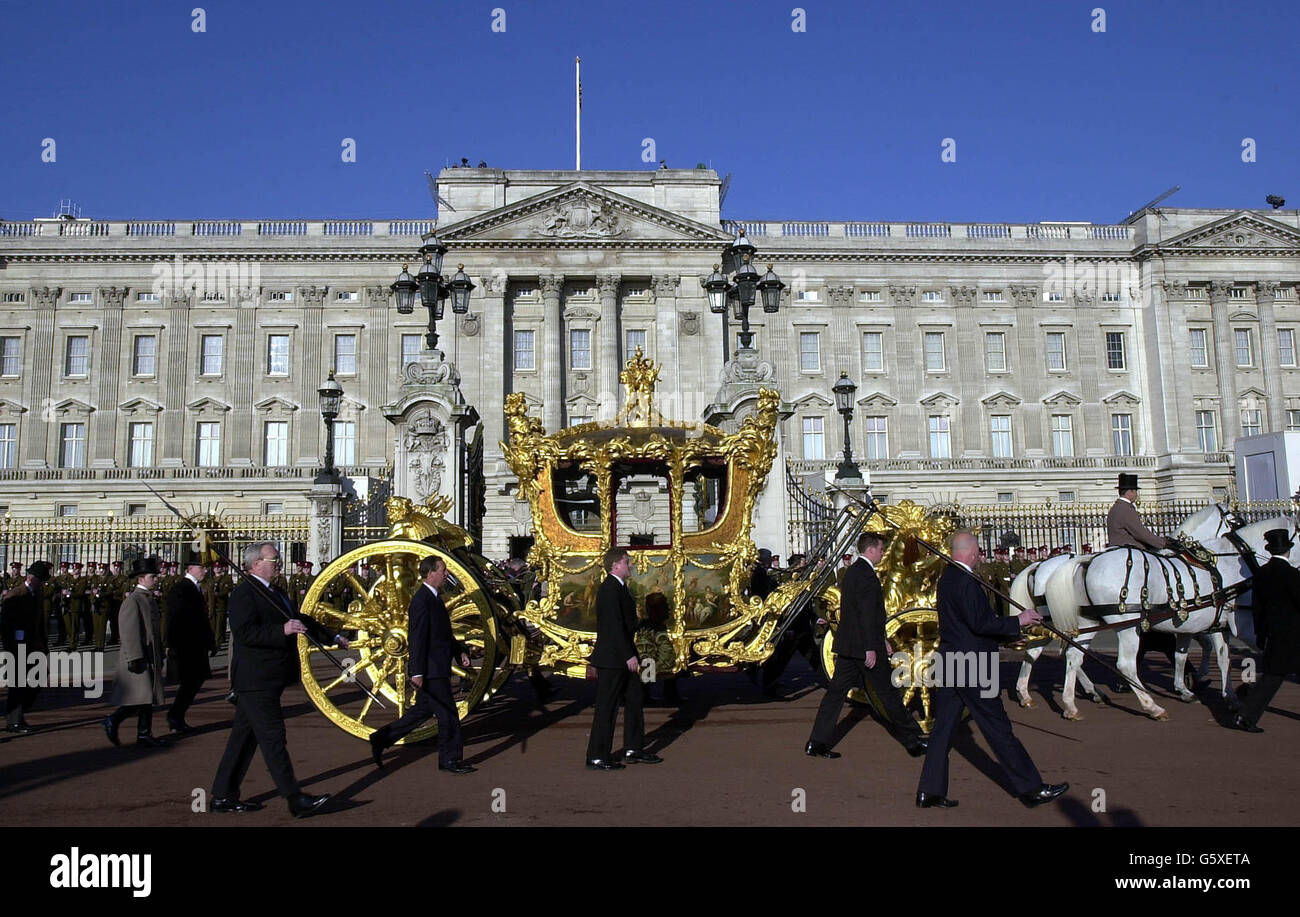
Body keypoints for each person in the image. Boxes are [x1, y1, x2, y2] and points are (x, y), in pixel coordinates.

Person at [917, 531, 1069, 809]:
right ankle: (1031, 788)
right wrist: (1018, 621)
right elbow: (980, 623)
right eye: (979, 551)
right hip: (973, 666)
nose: (980, 555)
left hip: (953, 662)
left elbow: (969, 626)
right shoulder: (965, 581)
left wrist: (1009, 635)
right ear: (972, 552)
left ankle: (930, 790)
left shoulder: (949, 578)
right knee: (998, 729)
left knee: (942, 732)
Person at [211, 542, 349, 817]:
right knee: (273, 738)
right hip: (255, 679)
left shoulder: (274, 591)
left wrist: (331, 635)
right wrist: (281, 630)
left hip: (269, 677)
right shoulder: (244, 594)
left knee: (244, 739)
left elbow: (297, 617)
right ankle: (294, 798)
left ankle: (222, 795)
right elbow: (245, 633)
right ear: (255, 563)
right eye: (274, 559)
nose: (279, 563)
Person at [806, 532, 927, 758]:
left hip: (848, 647)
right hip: (863, 648)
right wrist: (872, 647)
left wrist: (880, 641)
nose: (882, 554)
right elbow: (866, 615)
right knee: (888, 694)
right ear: (871, 550)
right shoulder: (866, 576)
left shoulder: (853, 572)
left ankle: (817, 742)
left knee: (835, 695)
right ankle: (914, 740)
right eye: (881, 550)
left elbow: (858, 614)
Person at [368, 556, 476, 773]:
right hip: (431, 669)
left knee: (422, 712)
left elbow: (443, 634)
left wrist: (459, 653)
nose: (446, 574)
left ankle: (381, 738)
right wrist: (416, 672)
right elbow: (417, 638)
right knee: (448, 715)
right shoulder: (421, 600)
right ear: (431, 573)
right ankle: (449, 760)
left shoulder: (434, 598)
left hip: (436, 666)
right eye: (443, 570)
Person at [585, 547, 661, 770]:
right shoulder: (610, 589)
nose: (631, 565)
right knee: (607, 707)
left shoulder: (618, 587)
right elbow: (613, 626)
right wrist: (629, 655)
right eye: (627, 562)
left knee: (635, 699)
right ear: (615, 565)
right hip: (613, 658)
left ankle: (633, 748)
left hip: (620, 654)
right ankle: (597, 755)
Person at [1231, 528, 1300, 732]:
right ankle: (1245, 716)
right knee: (1271, 678)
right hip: (1294, 635)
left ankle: (1245, 716)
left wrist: (1261, 635)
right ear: (1288, 551)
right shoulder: (1292, 574)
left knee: (1271, 678)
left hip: (1273, 634)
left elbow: (1257, 608)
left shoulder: (1262, 573)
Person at [104, 557, 168, 747]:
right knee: (141, 697)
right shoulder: (134, 600)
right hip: (139, 656)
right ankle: (114, 720)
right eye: (152, 576)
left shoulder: (147, 598)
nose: (156, 579)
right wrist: (134, 656)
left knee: (145, 698)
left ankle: (143, 733)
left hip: (148, 654)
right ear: (141, 579)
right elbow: (129, 631)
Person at [165, 551, 214, 733]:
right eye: (202, 568)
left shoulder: (194, 587)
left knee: (193, 682)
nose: (205, 571)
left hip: (195, 644)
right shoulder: (182, 588)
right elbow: (175, 618)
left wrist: (209, 640)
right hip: (187, 645)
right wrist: (173, 644)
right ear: (190, 569)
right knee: (190, 682)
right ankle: (175, 716)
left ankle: (177, 715)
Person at [2, 561, 52, 733]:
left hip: (35, 646)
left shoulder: (36, 594)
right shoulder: (15, 595)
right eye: (41, 580)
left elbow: (39, 623)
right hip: (18, 647)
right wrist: (16, 647)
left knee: (39, 678)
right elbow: (8, 626)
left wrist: (43, 645)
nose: (43, 583)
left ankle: (21, 711)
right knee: (18, 684)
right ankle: (14, 721)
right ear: (32, 579)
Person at [1107, 473, 1177, 551]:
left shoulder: (1115, 508)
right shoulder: (1126, 509)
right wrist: (1163, 543)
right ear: (1130, 492)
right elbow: (1140, 533)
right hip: (1129, 548)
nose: (1137, 495)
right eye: (1136, 491)